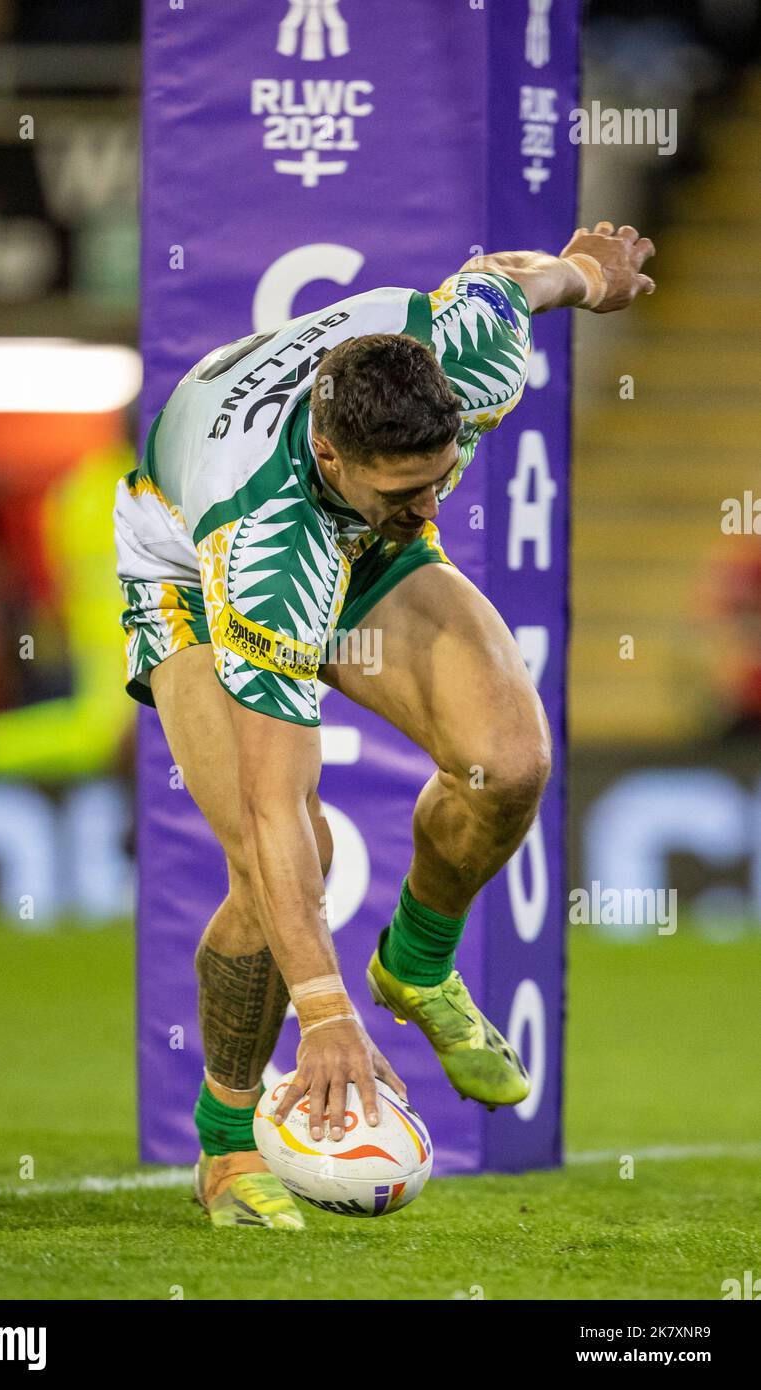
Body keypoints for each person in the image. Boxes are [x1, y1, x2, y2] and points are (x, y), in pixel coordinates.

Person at [114, 221, 655, 1228]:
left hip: (340, 535)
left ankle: (412, 963)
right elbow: (278, 807)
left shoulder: (470, 362)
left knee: (508, 762)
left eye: (440, 476)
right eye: (402, 490)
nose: (425, 506)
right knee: (283, 856)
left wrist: (587, 274)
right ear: (331, 450)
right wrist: (323, 1014)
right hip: (187, 566)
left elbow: (504, 280)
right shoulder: (267, 550)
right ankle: (227, 1145)